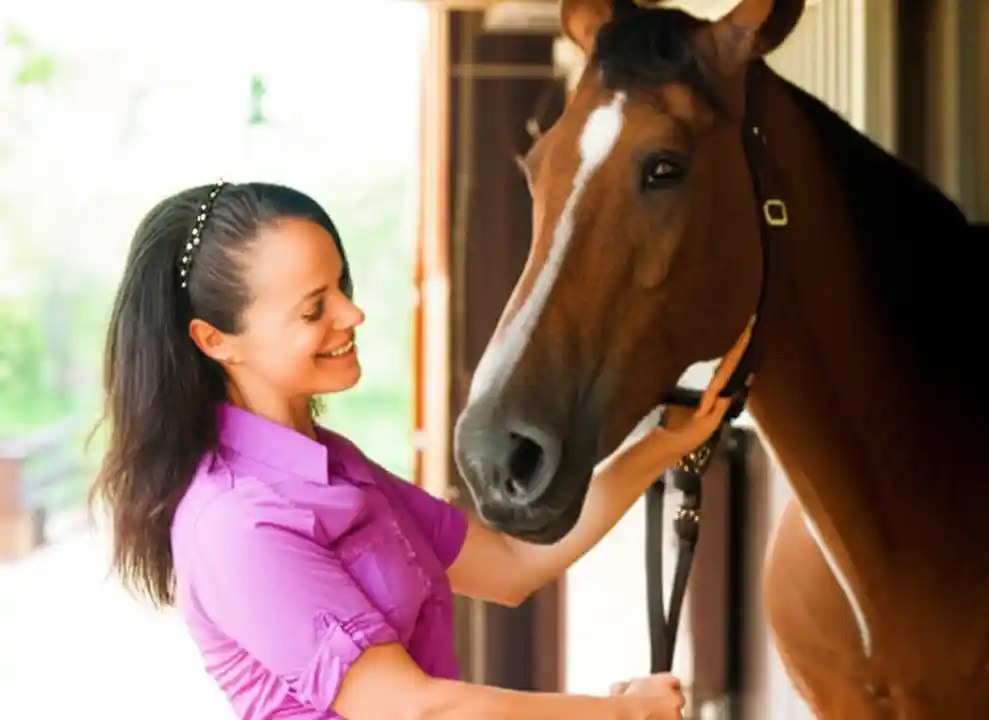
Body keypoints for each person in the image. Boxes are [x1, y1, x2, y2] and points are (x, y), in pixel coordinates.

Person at [91, 181, 745, 720]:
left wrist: (665, 445)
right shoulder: (239, 522)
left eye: (341, 285)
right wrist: (622, 714)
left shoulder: (332, 465)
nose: (352, 316)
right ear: (216, 340)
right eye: (314, 308)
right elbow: (415, 710)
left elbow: (515, 563)